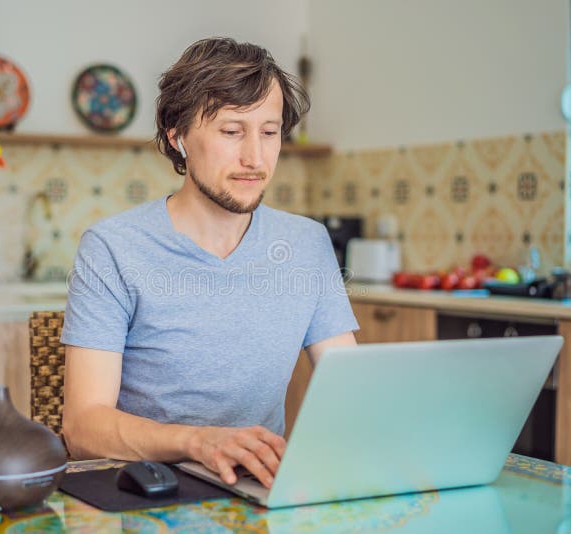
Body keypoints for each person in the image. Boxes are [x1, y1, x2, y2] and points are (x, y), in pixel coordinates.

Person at [61, 37, 358, 489]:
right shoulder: (113, 248)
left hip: (258, 492)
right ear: (176, 136)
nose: (255, 158)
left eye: (269, 132)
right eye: (231, 131)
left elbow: (353, 391)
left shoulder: (307, 244)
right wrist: (198, 442)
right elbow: (82, 429)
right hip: (144, 491)